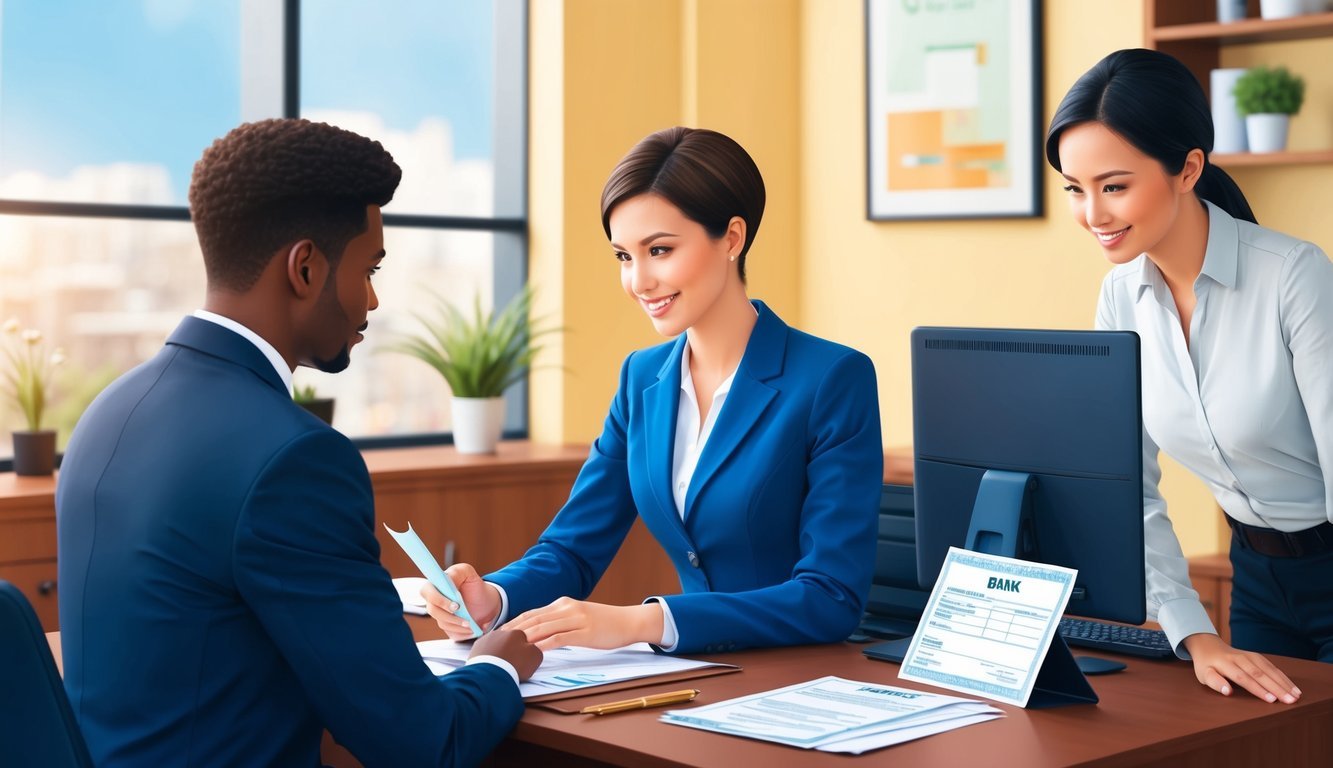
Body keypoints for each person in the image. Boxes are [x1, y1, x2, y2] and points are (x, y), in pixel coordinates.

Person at [55, 119, 542, 768]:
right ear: (306, 267)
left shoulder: (106, 412)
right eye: (368, 269)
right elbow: (421, 742)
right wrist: (495, 668)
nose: (370, 299)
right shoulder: (293, 458)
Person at [423, 127, 883, 654]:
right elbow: (573, 548)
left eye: (659, 250)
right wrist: (496, 598)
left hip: (795, 682)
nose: (638, 281)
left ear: (732, 238)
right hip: (691, 679)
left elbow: (831, 597)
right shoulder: (642, 378)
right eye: (623, 256)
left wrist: (645, 622)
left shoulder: (831, 378)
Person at [1047, 48, 1333, 703]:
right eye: (1073, 188)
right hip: (1256, 578)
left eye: (1112, 185)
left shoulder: (1293, 278)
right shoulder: (1120, 297)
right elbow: (1127, 488)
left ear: (1187, 168)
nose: (1091, 213)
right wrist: (1192, 632)